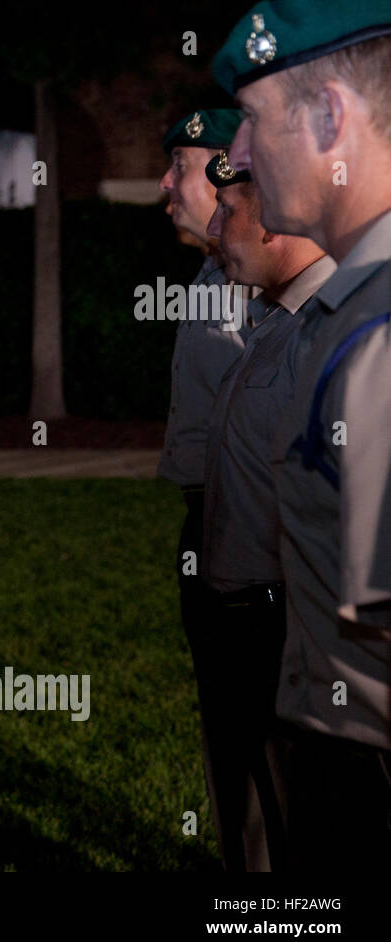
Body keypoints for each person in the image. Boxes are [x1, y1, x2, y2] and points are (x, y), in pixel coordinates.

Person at [215, 0, 391, 868]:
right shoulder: (349, 308)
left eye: (252, 120)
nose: (237, 157)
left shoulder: (381, 330)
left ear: (329, 118)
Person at [200, 149, 335, 871]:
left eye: (230, 211)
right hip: (250, 620)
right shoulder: (276, 324)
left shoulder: (327, 332)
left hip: (290, 630)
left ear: (279, 218)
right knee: (267, 825)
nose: (215, 227)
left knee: (311, 832)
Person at [156, 110, 248, 770]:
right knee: (227, 727)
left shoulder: (258, 281)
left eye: (179, 167)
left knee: (261, 731)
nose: (164, 184)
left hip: (253, 535)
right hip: (210, 521)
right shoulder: (212, 276)